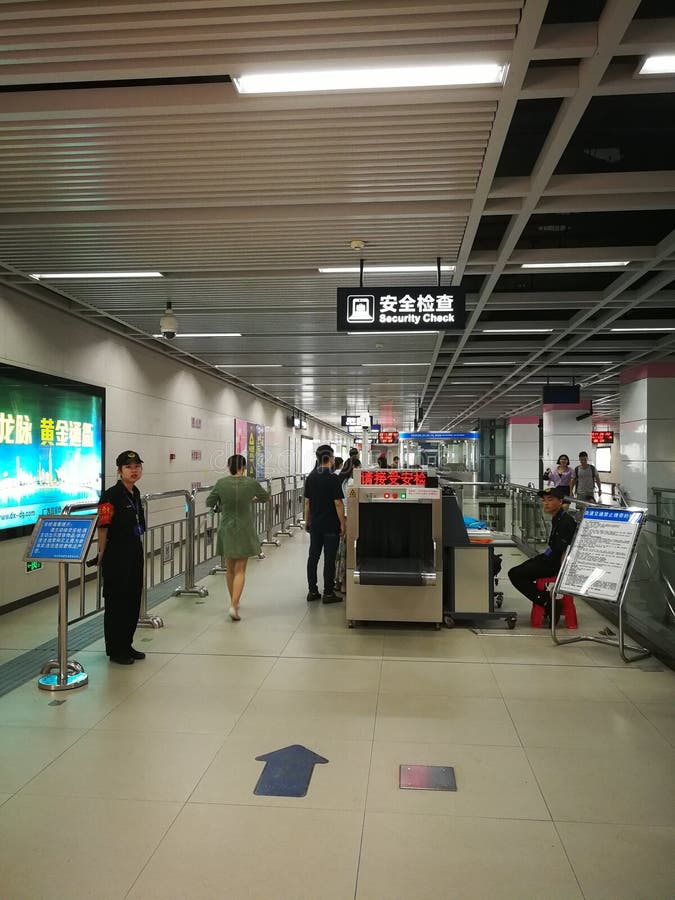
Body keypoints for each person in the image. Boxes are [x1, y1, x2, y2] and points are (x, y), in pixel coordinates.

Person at [97, 450, 147, 665]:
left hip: (134, 551)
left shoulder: (135, 492)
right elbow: (103, 526)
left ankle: (127, 643)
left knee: (133, 598)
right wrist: (100, 554)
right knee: (117, 601)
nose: (134, 470)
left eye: (137, 466)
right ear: (119, 471)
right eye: (129, 467)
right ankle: (116, 649)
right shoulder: (110, 496)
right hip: (116, 555)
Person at [206, 454, 269, 620]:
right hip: (244, 527)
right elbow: (265, 497)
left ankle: (233, 601)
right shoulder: (251, 483)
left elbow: (209, 502)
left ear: (228, 467)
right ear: (244, 467)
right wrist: (251, 500)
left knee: (230, 568)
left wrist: (222, 505)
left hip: (226, 528)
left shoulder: (221, 483)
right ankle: (234, 605)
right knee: (241, 569)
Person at [507, 486, 577, 614]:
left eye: (550, 500)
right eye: (544, 500)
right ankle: (546, 600)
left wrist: (559, 580)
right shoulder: (558, 518)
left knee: (514, 574)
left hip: (553, 565)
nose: (546, 503)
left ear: (560, 501)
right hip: (547, 558)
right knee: (519, 570)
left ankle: (547, 603)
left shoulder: (566, 522)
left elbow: (564, 553)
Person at [304, 444, 345, 603]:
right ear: (330, 458)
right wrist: (342, 523)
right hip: (330, 524)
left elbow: (307, 503)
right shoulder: (333, 477)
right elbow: (338, 503)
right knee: (329, 558)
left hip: (315, 524)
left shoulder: (311, 476)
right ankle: (328, 592)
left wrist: (308, 521)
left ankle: (312, 591)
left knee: (313, 557)